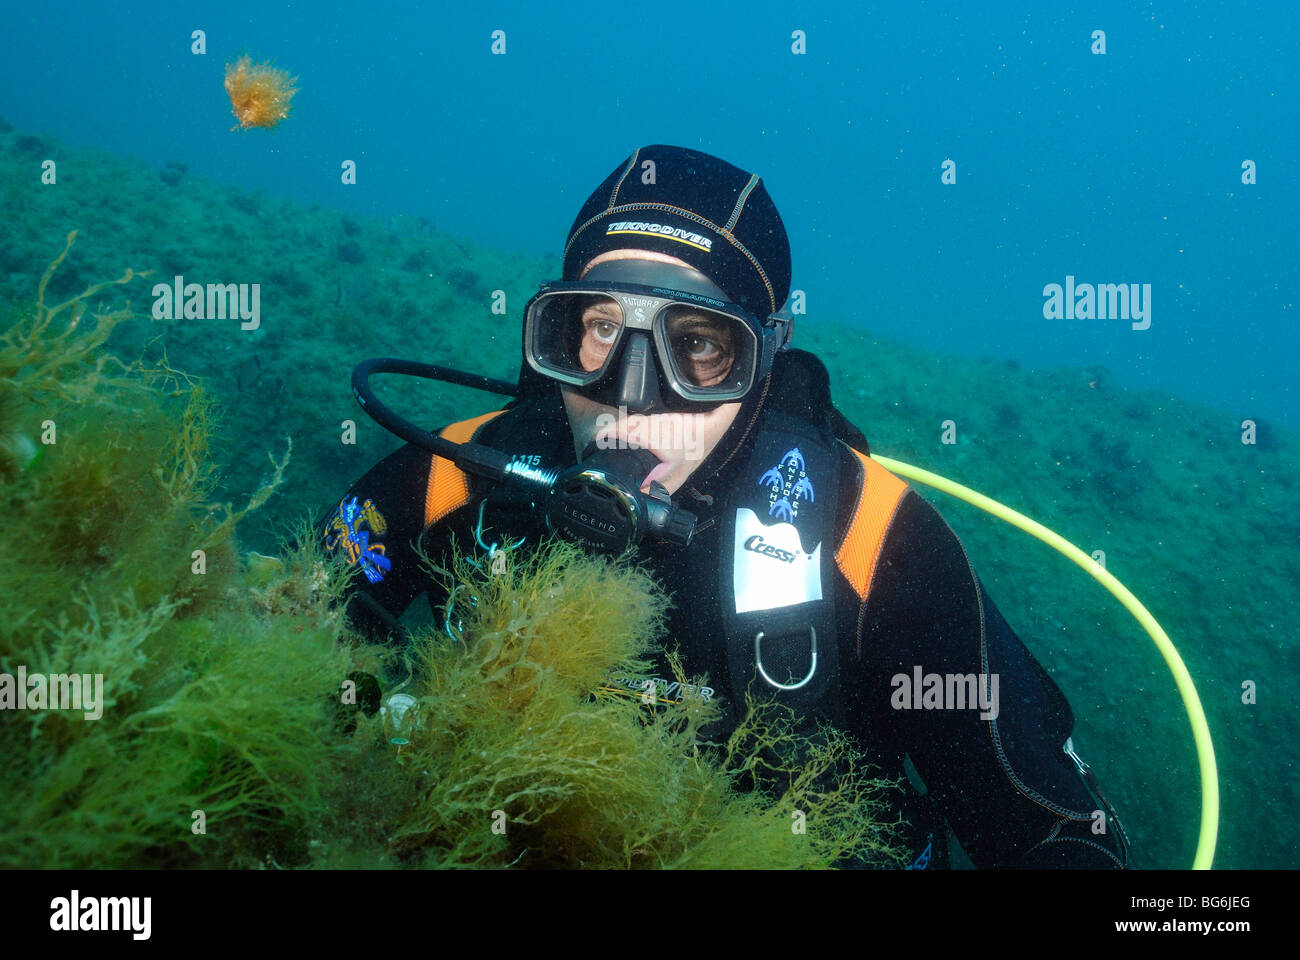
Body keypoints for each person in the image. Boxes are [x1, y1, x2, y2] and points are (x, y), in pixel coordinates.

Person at [318, 144, 1130, 869]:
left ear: (765, 358)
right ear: (554, 334)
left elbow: (1056, 831)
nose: (631, 401)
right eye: (600, 329)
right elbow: (292, 634)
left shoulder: (865, 536)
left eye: (699, 344)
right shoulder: (455, 476)